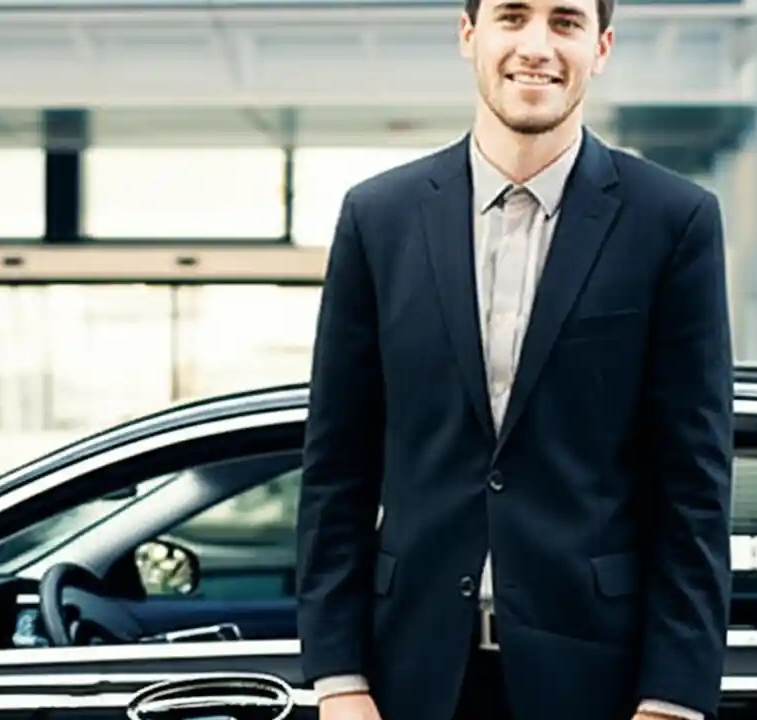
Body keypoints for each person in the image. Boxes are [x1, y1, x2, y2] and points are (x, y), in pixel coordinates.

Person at [294, 0, 734, 719]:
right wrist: (340, 680)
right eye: (512, 16)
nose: (538, 45)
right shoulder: (379, 218)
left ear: (602, 47)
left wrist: (672, 701)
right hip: (409, 678)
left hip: (596, 682)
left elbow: (694, 485)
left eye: (566, 22)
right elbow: (336, 467)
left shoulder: (673, 221)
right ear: (469, 36)